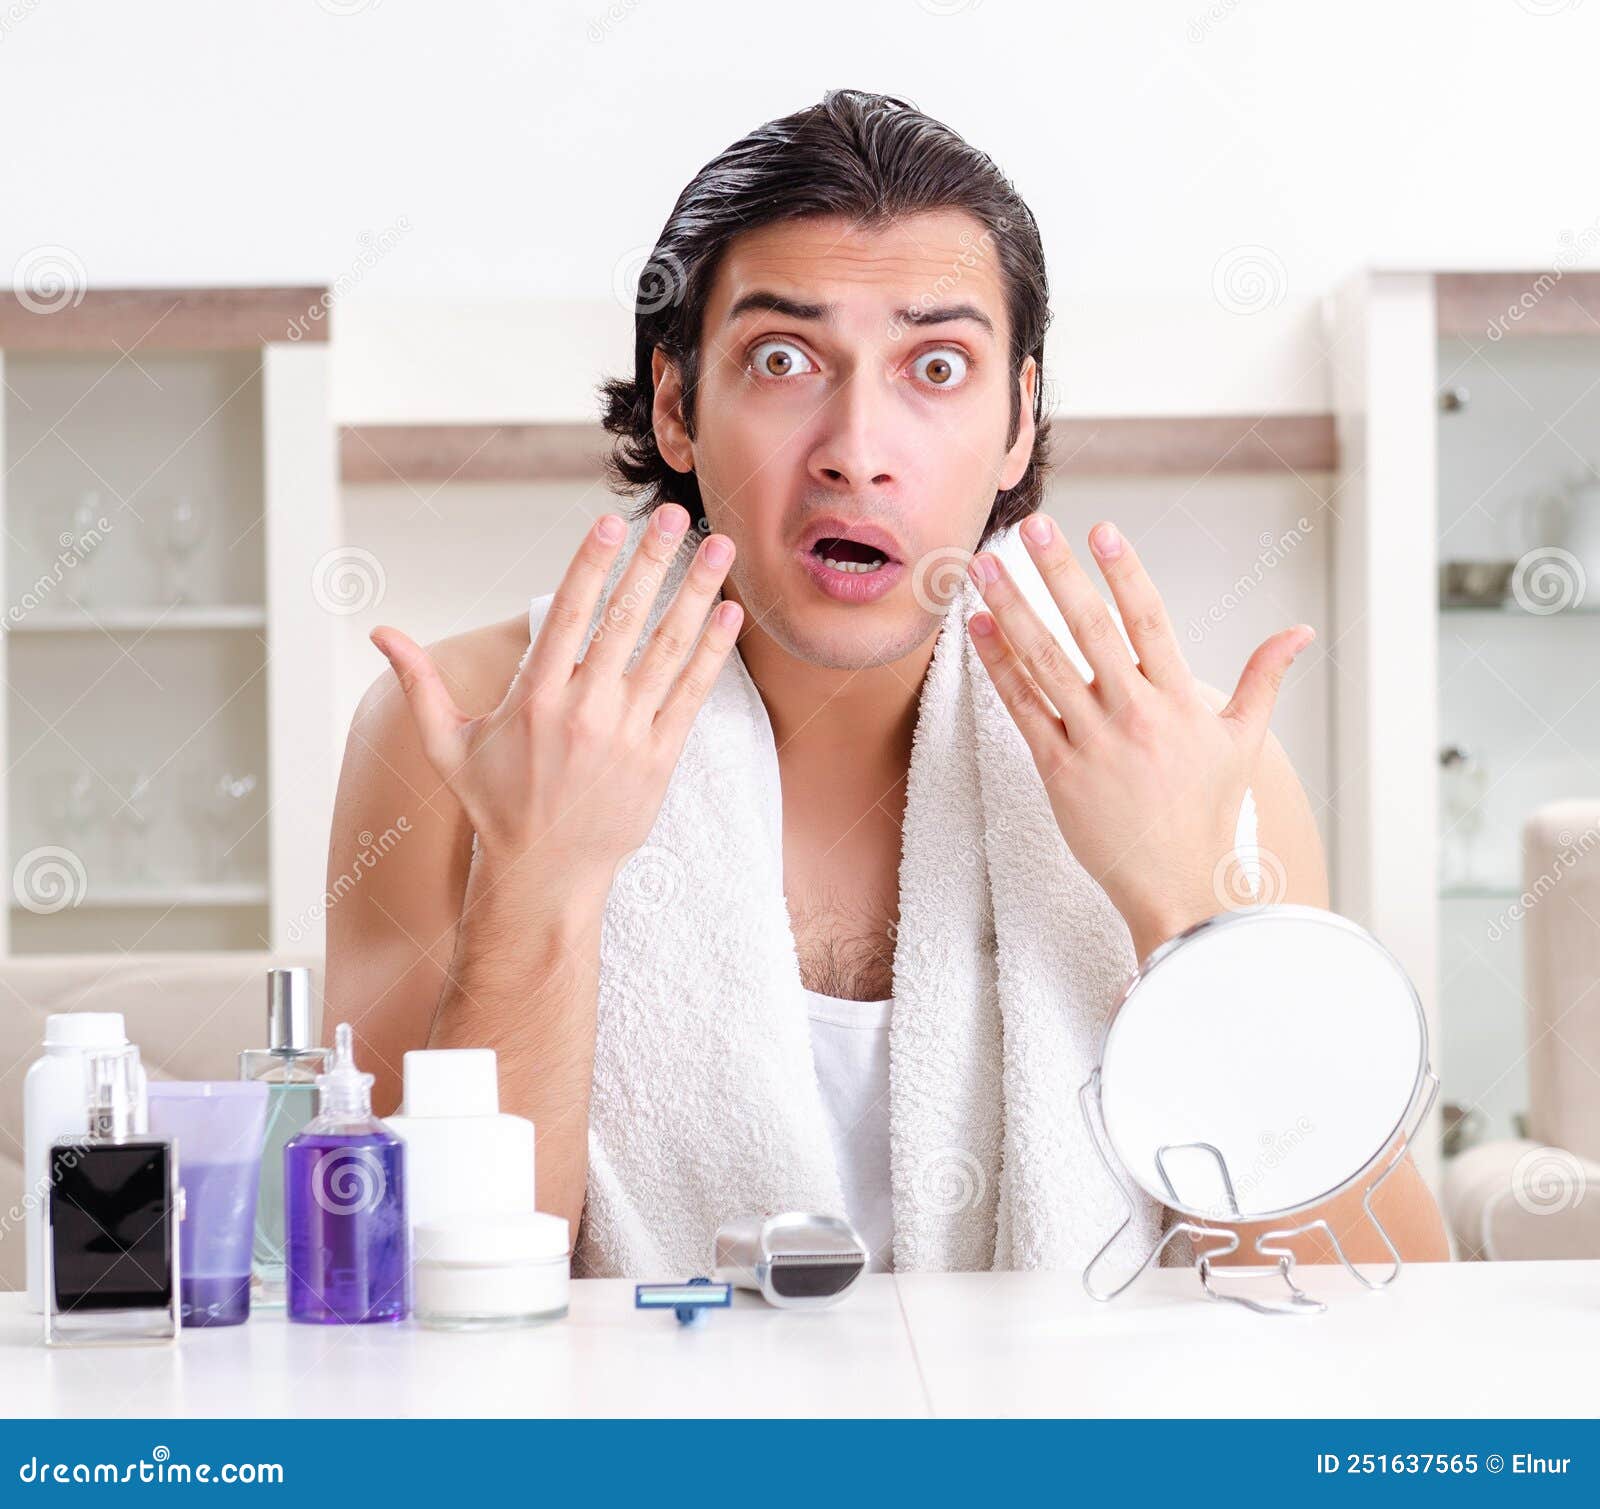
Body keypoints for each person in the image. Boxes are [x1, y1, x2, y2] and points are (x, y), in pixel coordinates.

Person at [326, 88, 1447, 1275]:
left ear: (1017, 425)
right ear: (675, 405)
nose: (857, 447)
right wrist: (539, 886)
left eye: (937, 366)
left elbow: (1382, 1307)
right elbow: (390, 1290)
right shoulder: (469, 733)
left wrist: (1193, 920)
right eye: (780, 357)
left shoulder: (1201, 768)